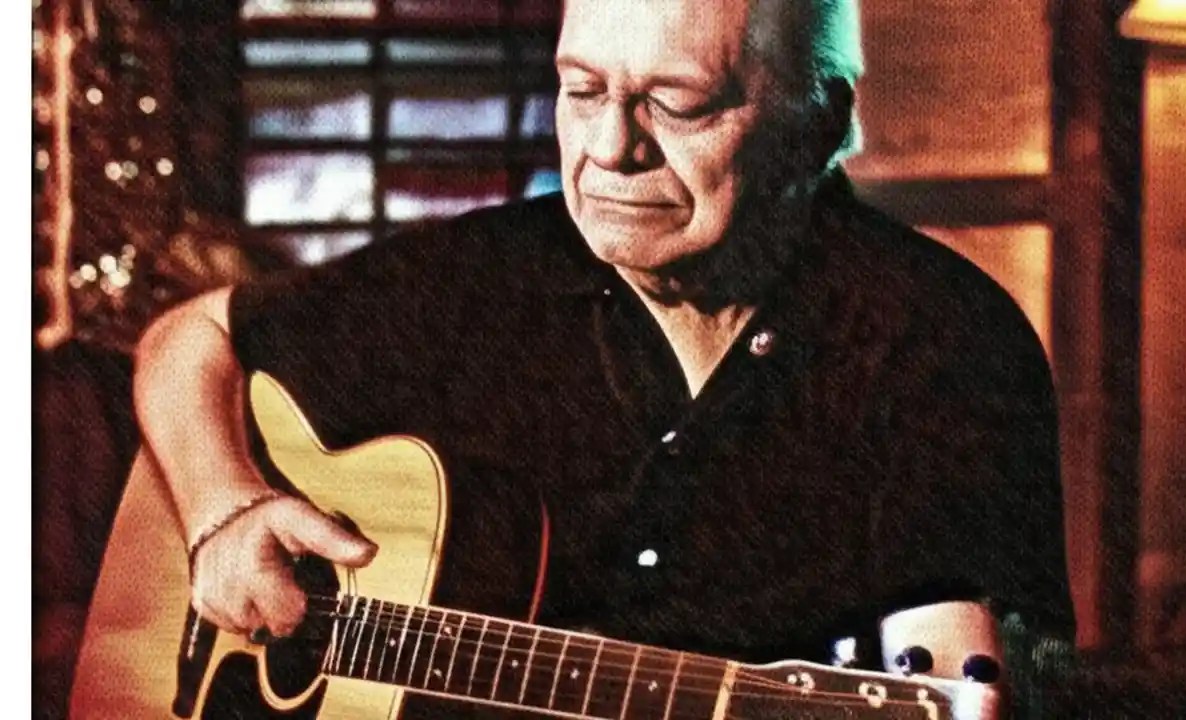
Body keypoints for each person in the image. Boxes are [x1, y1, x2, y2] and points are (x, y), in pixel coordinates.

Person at [134, 0, 1074, 714]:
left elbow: (958, 655)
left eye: (679, 103)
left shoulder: (944, 344)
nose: (610, 149)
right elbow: (191, 340)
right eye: (581, 91)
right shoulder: (479, 275)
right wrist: (224, 511)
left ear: (816, 123)